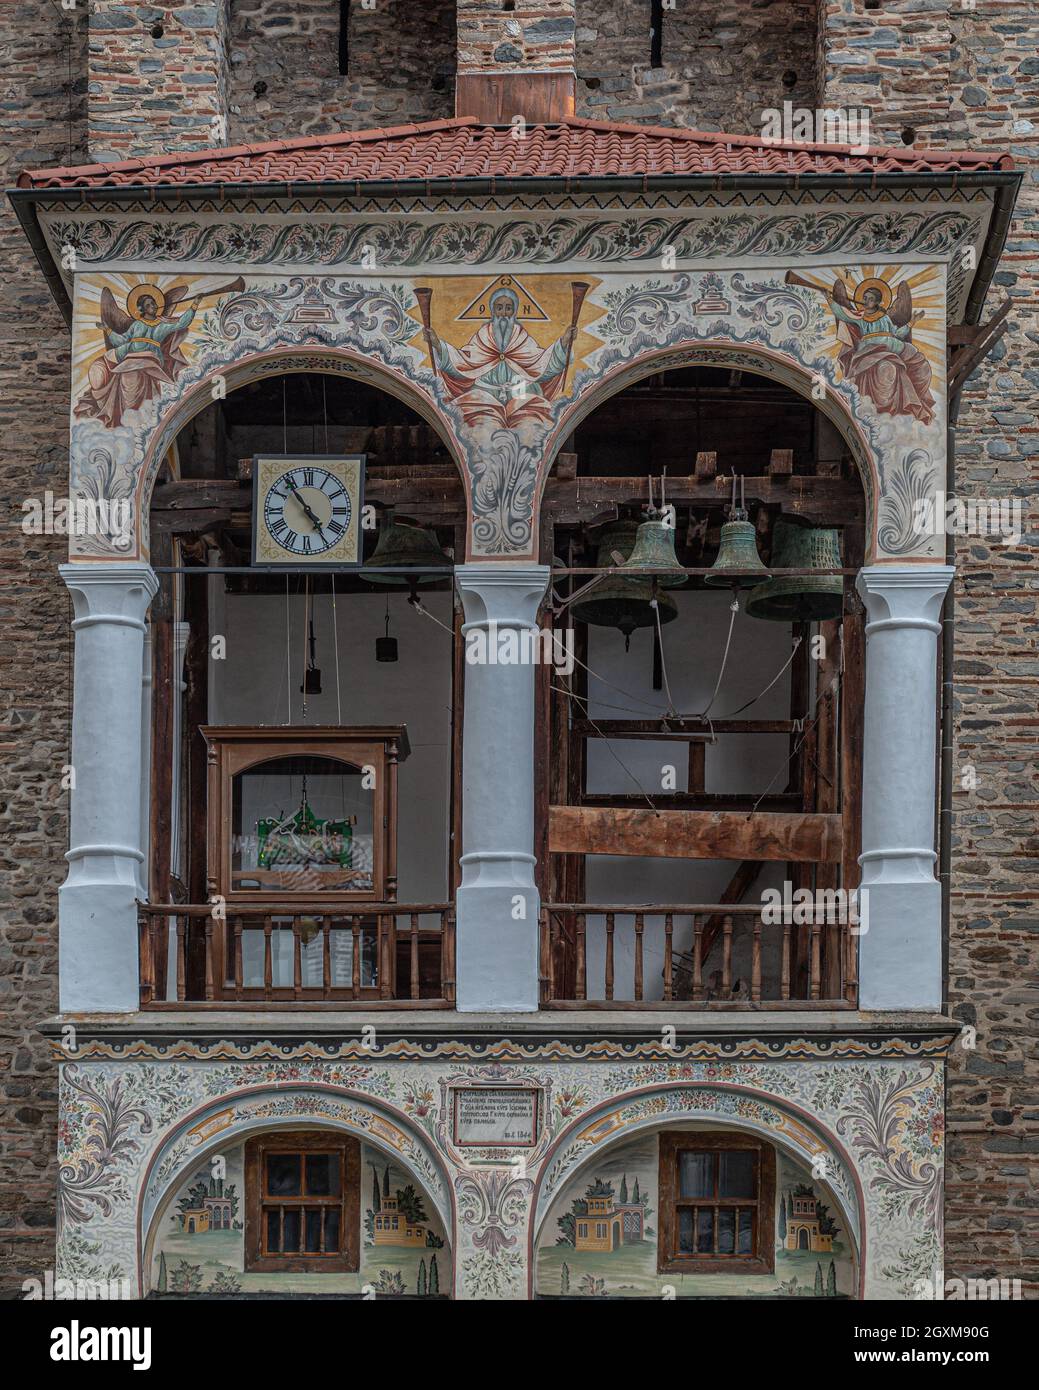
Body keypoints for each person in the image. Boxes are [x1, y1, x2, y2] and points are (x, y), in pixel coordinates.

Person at [428, 286, 576, 429]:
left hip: (522, 396)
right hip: (483, 395)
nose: (504, 313)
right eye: (499, 308)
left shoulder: (521, 337)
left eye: (508, 308)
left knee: (534, 420)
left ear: (515, 311)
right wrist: (438, 345)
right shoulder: (483, 335)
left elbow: (541, 365)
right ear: (493, 311)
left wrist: (563, 343)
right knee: (470, 421)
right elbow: (463, 362)